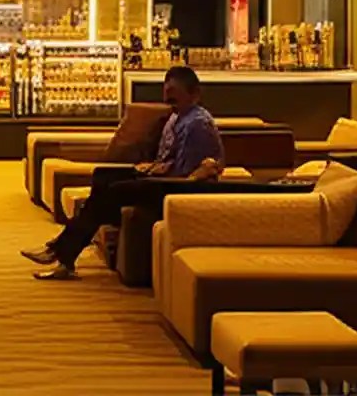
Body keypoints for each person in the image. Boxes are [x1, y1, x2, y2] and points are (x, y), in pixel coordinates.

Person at [21, 66, 224, 280]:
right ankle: (64, 253)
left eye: (174, 100)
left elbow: (188, 175)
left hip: (173, 189)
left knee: (110, 194)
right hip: (161, 177)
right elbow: (169, 159)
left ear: (194, 95)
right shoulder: (177, 118)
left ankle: (61, 251)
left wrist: (158, 170)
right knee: (103, 177)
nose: (170, 106)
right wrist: (153, 166)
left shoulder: (198, 124)